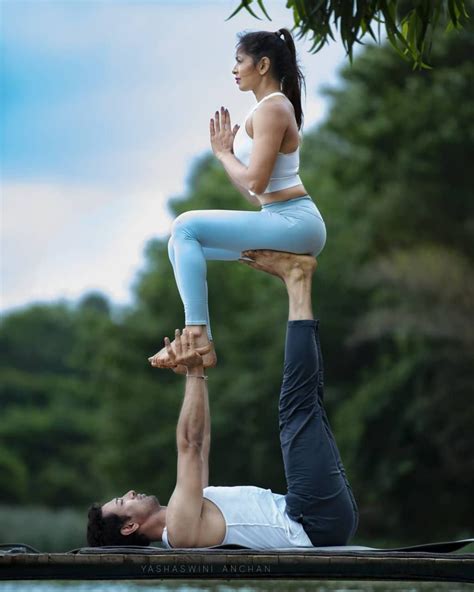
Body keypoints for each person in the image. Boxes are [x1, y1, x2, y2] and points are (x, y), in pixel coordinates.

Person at [87, 250, 358, 549]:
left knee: (308, 403)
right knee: (296, 408)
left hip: (315, 515)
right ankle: (296, 279)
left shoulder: (187, 509)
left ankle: (299, 280)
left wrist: (197, 370)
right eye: (122, 502)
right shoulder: (180, 531)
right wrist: (193, 370)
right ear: (130, 527)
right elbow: (189, 445)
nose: (130, 493)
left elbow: (201, 438)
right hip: (313, 520)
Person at [148, 28, 326, 370]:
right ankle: (200, 344)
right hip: (281, 218)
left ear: (262, 65)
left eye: (239, 61)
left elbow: (255, 180)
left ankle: (197, 335)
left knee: (185, 225)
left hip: (295, 221)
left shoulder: (272, 109)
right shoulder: (268, 109)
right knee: (179, 244)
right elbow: (256, 193)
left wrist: (225, 155)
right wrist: (226, 155)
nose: (234, 69)